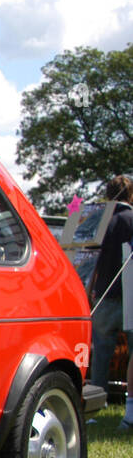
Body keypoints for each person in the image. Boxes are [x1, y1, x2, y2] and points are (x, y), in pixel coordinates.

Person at [87, 174, 133, 429]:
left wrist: (91, 291)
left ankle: (94, 408)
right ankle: (129, 408)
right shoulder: (132, 219)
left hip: (103, 297)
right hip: (129, 297)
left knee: (101, 358)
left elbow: (91, 263)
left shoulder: (99, 223)